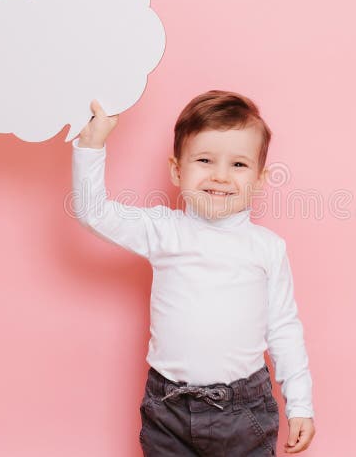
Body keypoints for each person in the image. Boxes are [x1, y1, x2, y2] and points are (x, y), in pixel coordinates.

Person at [71, 90, 315, 455]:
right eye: (204, 159)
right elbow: (94, 213)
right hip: (167, 406)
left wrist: (300, 404)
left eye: (238, 165)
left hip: (243, 410)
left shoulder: (267, 247)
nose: (220, 176)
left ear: (261, 179)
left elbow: (283, 328)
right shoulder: (164, 230)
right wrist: (90, 147)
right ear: (176, 170)